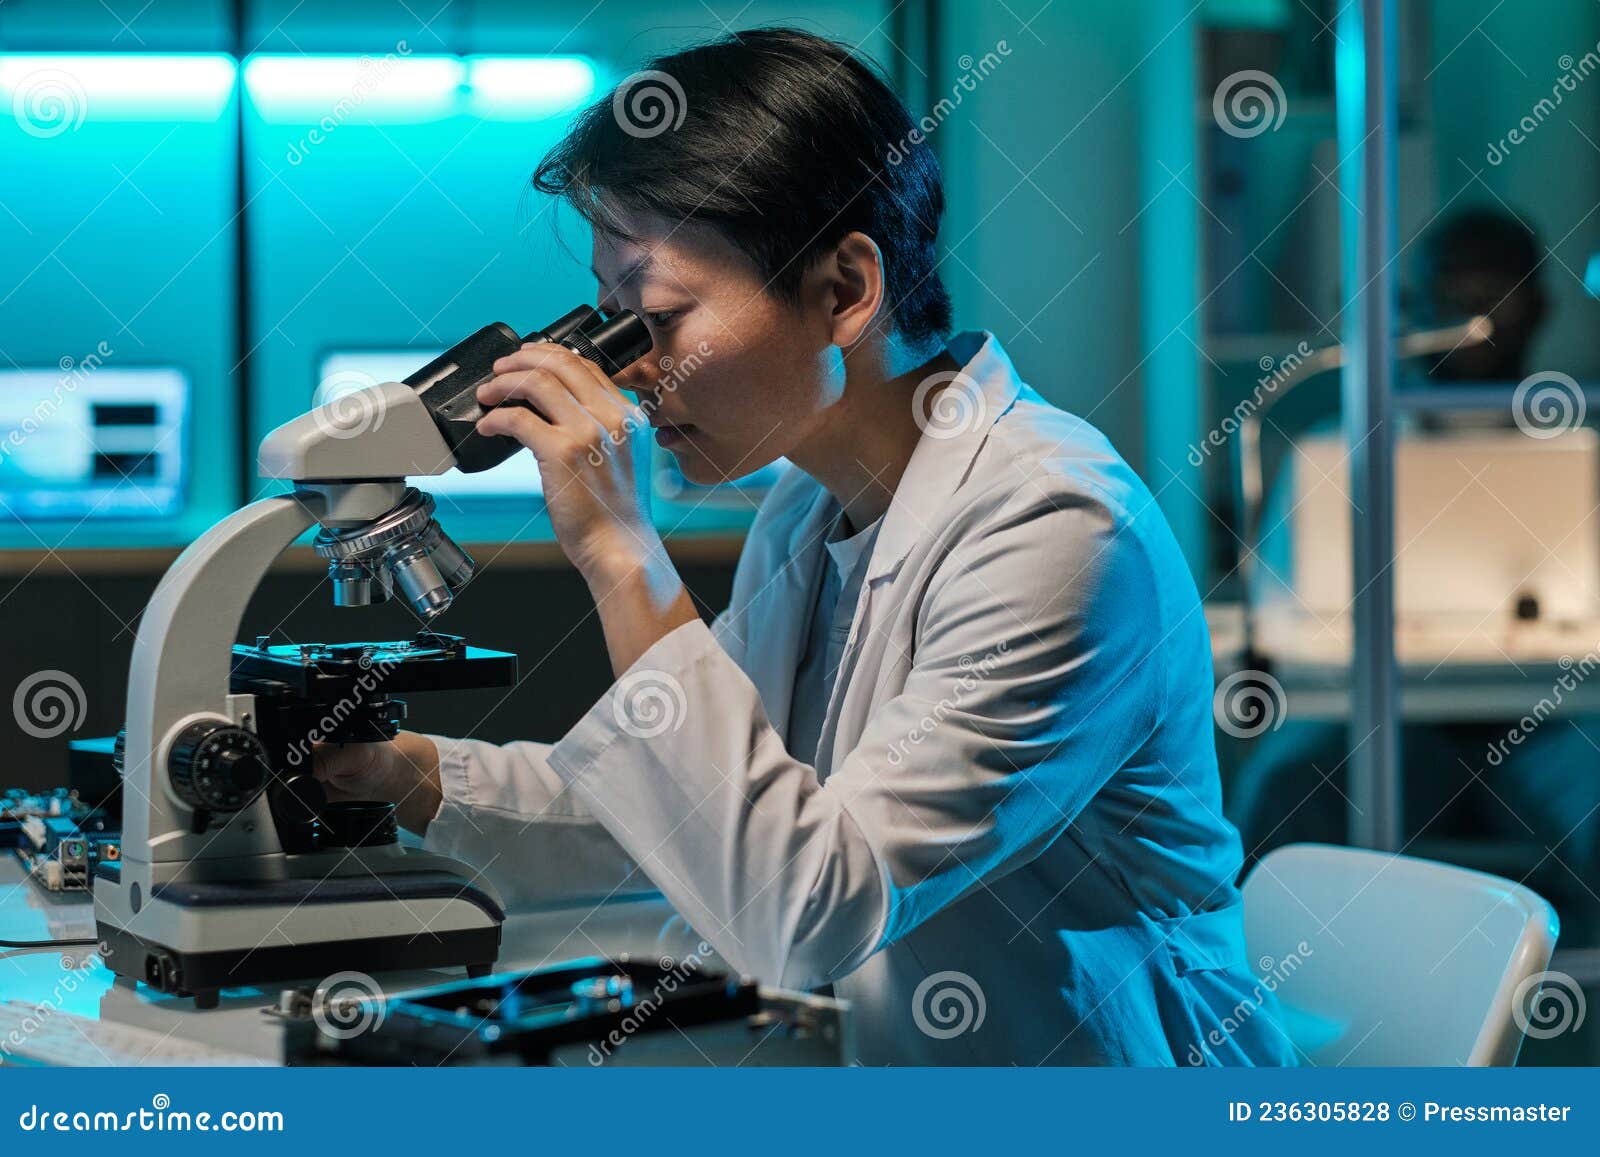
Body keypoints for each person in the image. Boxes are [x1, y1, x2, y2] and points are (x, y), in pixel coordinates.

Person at [316, 27, 1294, 1067]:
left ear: (842, 291)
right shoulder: (806, 505)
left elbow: (811, 904)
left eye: (651, 317)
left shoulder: (1055, 525)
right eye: (607, 322)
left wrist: (616, 547)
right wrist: (401, 771)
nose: (627, 373)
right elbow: (690, 808)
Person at [1232, 207, 1600, 934]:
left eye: (1498, 290)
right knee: (1282, 789)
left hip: (1550, 722)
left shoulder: (1581, 451)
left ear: (1542, 304)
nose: (1476, 312)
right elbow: (1276, 625)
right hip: (1380, 721)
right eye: (1455, 290)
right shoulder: (1335, 455)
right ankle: (1275, 1028)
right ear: (1412, 305)